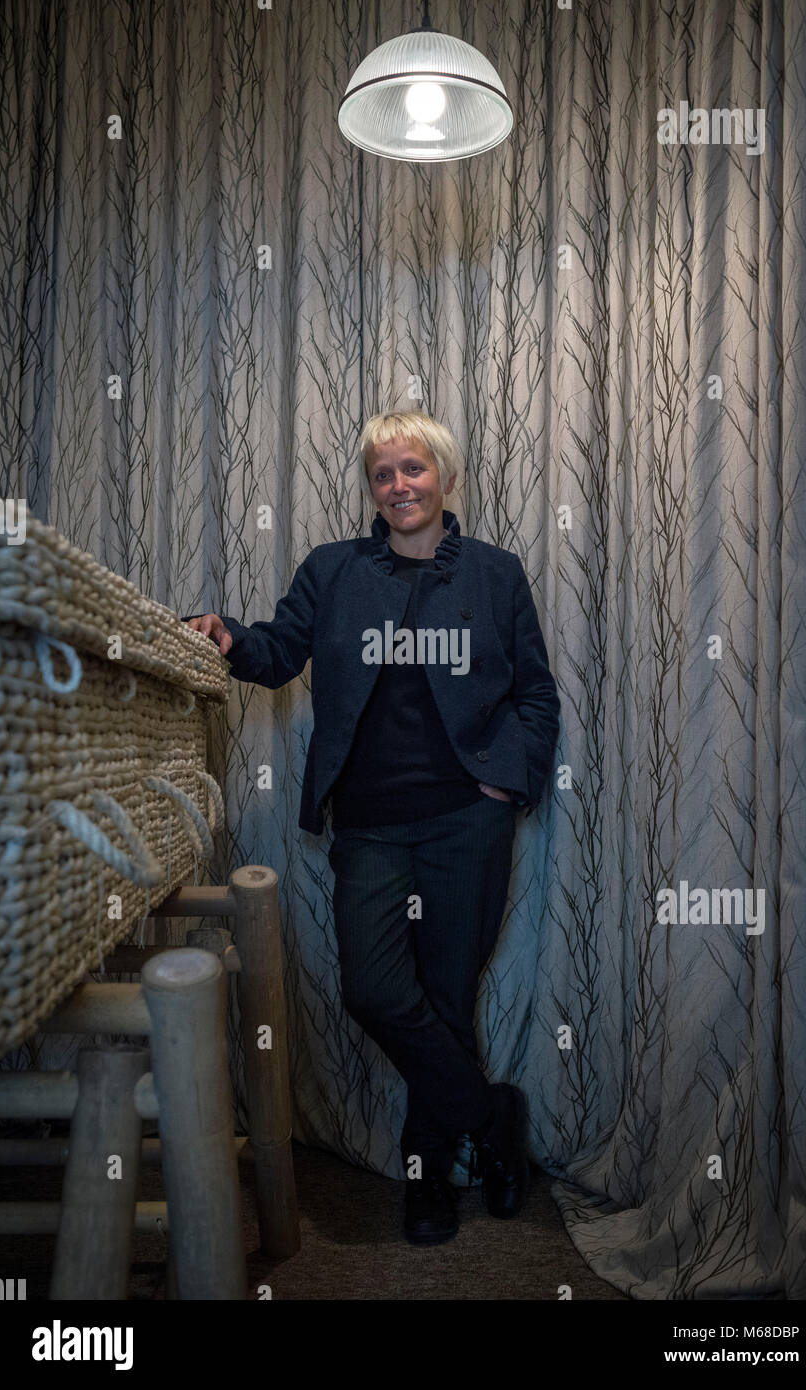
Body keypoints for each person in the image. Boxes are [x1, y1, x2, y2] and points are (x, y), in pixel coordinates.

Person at [183, 411, 560, 1245]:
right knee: (374, 990)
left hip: (468, 819)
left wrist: (510, 781)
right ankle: (493, 1119)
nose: (398, 485)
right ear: (370, 489)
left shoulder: (496, 576)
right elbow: (278, 651)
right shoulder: (334, 572)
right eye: (382, 473)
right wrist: (226, 635)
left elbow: (535, 692)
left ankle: (428, 1180)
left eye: (413, 469)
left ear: (445, 477)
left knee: (445, 999)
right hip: (370, 823)